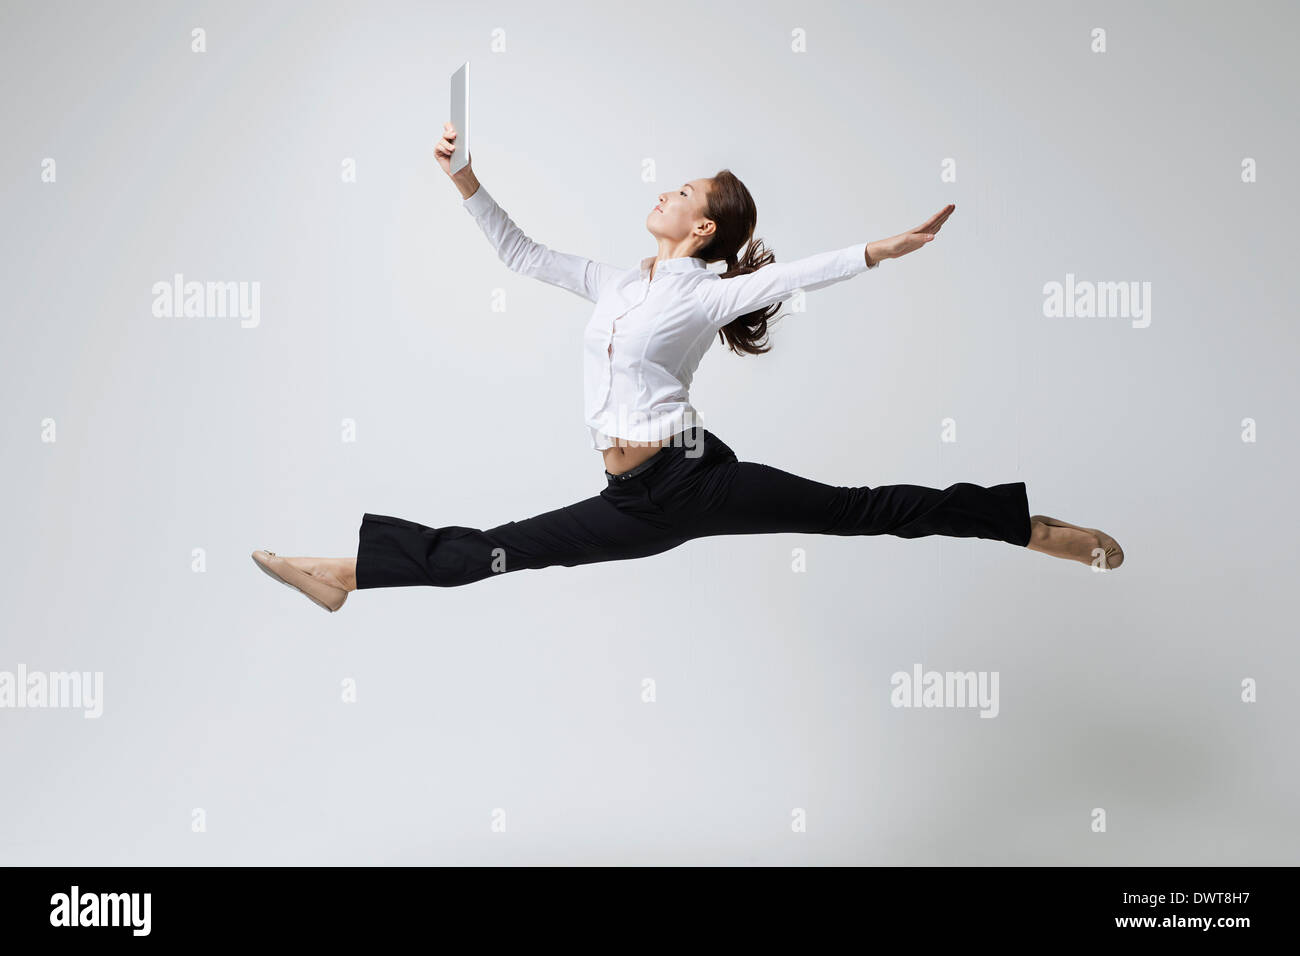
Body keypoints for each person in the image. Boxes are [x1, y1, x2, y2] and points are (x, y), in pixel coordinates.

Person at [251, 122, 1123, 613]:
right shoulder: (617, 282)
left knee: (862, 513)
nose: (665, 193)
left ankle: (1032, 529)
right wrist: (465, 178)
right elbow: (521, 253)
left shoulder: (704, 294)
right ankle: (346, 574)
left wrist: (880, 249)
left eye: (682, 194)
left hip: (696, 477)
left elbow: (793, 273)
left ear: (702, 230)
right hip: (633, 499)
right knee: (501, 552)